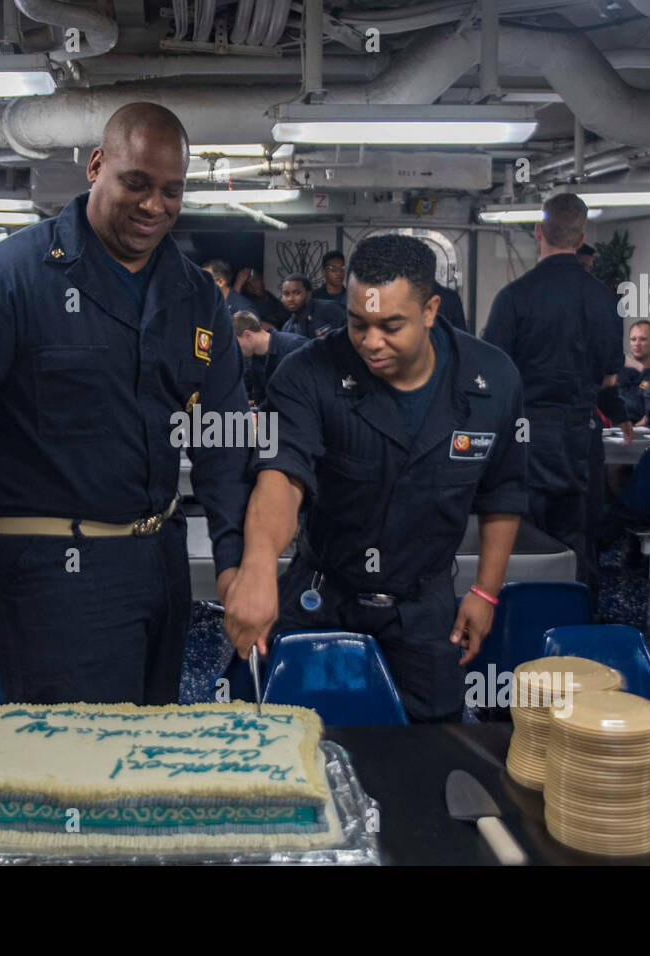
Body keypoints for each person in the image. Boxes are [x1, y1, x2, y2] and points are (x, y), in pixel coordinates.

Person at [0, 102, 252, 705]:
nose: (153, 205)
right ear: (96, 166)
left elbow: (224, 435)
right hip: (50, 571)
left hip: (161, 560)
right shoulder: (7, 281)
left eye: (171, 190)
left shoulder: (194, 296)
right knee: (75, 774)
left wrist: (235, 558)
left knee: (143, 762)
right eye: (135, 183)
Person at [222, 234, 526, 722]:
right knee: (288, 733)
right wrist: (259, 567)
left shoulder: (492, 379)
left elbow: (503, 492)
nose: (370, 341)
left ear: (429, 310)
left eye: (391, 326)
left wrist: (486, 591)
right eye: (357, 323)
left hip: (423, 606)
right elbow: (282, 476)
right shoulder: (307, 374)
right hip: (323, 593)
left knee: (430, 750)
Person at [482, 193, 626, 603]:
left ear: (538, 232)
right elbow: (610, 379)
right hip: (581, 434)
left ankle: (517, 618)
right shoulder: (604, 300)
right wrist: (621, 417)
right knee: (579, 538)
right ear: (581, 238)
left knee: (519, 536)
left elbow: (491, 376)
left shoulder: (514, 297)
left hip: (524, 434)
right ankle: (576, 626)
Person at [233, 310, 306, 405]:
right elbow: (261, 399)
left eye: (235, 343)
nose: (235, 349)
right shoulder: (254, 360)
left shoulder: (294, 346)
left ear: (248, 335)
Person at [618, 320, 650, 423]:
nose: (637, 343)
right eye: (633, 339)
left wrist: (646, 421)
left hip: (645, 431)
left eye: (643, 339)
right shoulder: (616, 373)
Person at [281, 274, 346, 339]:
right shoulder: (287, 329)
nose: (290, 299)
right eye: (286, 294)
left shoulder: (330, 309)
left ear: (309, 294)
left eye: (297, 293)